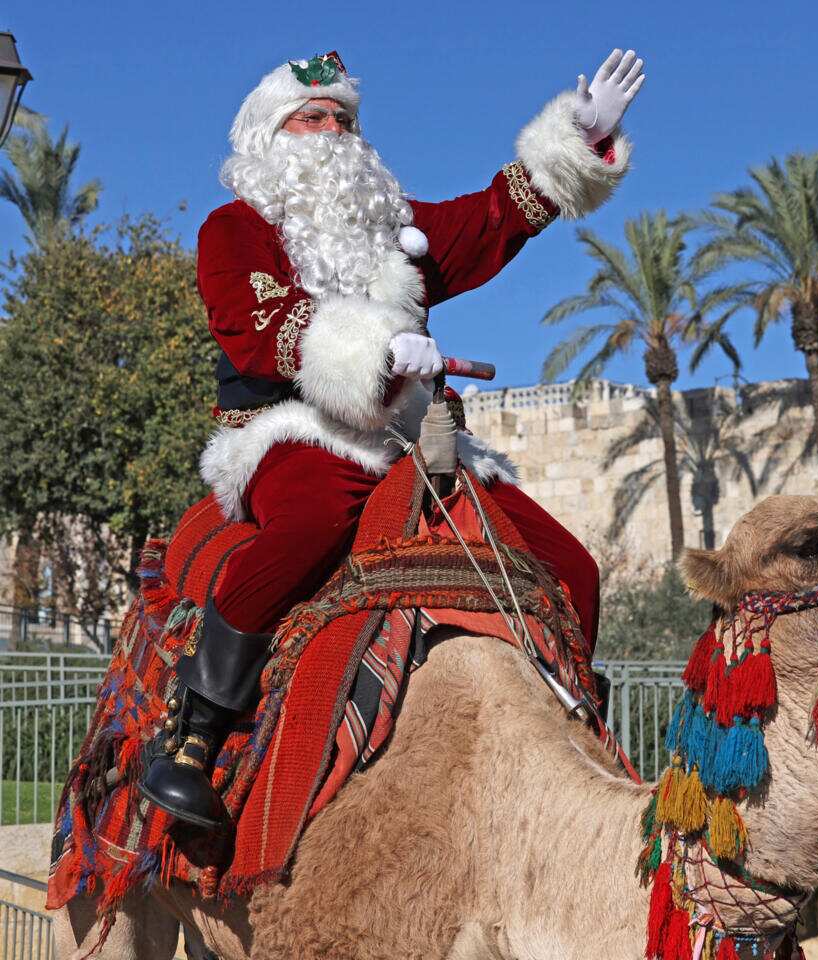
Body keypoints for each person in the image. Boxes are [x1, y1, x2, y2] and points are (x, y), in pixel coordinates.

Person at [139, 49, 645, 829]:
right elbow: (253, 325)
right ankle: (195, 733)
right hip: (294, 425)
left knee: (568, 565)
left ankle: (576, 744)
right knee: (312, 523)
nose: (334, 131)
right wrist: (370, 351)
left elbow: (485, 224)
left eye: (346, 118)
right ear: (271, 136)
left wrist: (573, 143)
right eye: (313, 117)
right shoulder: (234, 228)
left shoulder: (391, 224)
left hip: (406, 433)